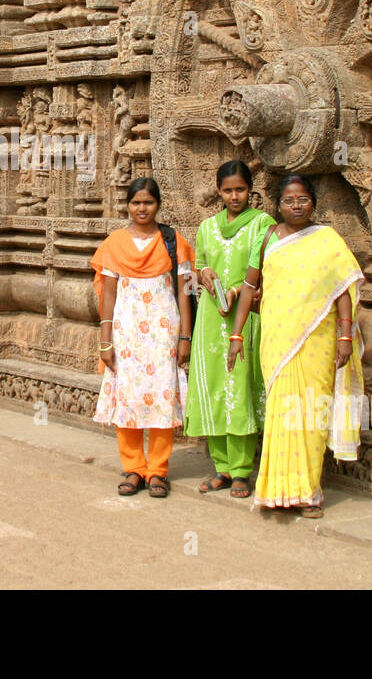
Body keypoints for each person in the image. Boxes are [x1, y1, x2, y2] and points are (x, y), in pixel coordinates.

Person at [226, 174, 365, 518]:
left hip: (318, 339)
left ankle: (307, 493)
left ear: (314, 203)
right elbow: (248, 287)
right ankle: (275, 491)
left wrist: (345, 336)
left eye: (303, 199)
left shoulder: (327, 240)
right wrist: (236, 334)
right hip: (277, 337)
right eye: (289, 200)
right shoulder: (268, 237)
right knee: (280, 413)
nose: (296, 205)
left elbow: (343, 289)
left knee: (310, 415)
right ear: (278, 205)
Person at [91, 177, 195, 498]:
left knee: (163, 397)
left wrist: (185, 337)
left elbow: (185, 291)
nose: (141, 208)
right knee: (128, 398)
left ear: (158, 204)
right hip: (126, 333)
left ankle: (159, 470)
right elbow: (108, 294)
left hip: (164, 332)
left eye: (148, 202)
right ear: (127, 205)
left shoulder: (174, 242)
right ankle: (134, 467)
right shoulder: (114, 244)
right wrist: (105, 339)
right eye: (136, 203)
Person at [187, 161, 276, 499]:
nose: (234, 196)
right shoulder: (207, 227)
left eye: (240, 189)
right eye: (228, 190)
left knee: (241, 389)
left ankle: (241, 471)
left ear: (251, 189)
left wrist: (240, 290)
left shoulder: (263, 225)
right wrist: (205, 275)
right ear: (218, 191)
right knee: (213, 388)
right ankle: (220, 468)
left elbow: (268, 270)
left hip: (245, 317)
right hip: (211, 317)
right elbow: (198, 267)